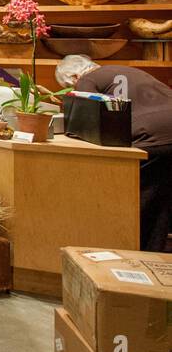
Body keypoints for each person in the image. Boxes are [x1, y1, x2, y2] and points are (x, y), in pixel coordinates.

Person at [56, 54, 172, 252]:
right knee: (162, 199)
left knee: (139, 202)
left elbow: (88, 121)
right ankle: (155, 256)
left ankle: (133, 256)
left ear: (74, 77)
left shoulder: (86, 80)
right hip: (165, 134)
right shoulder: (127, 70)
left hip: (150, 137)